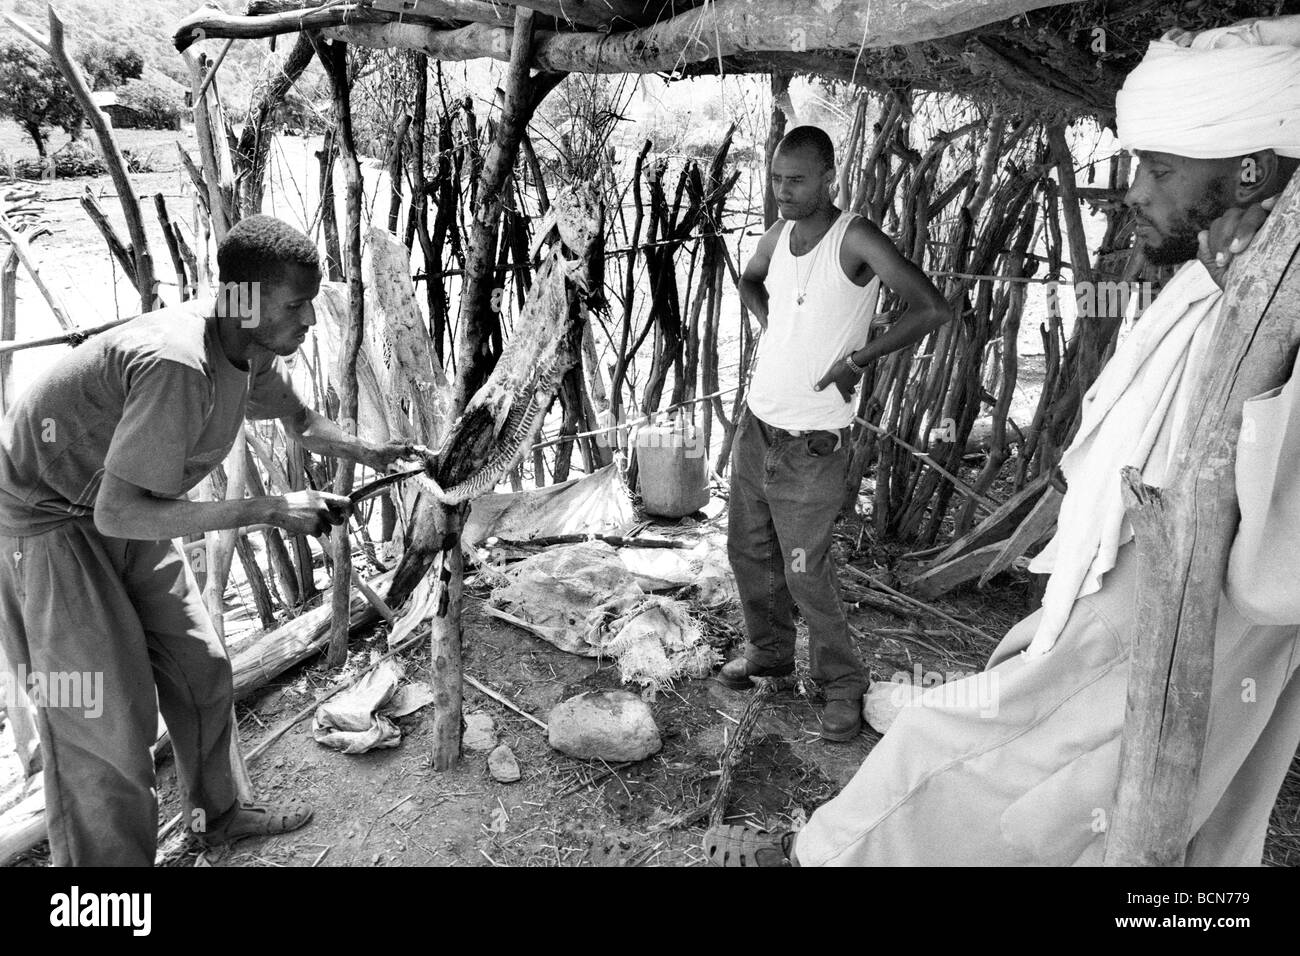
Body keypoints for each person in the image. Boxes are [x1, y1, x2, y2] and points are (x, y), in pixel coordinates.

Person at [704, 15, 1300, 865]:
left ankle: (824, 836)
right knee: (1099, 814)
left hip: (1164, 624)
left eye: (1161, 168)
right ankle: (784, 699)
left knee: (959, 753)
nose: (1133, 191)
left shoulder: (1265, 314)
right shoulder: (1209, 289)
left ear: (1252, 171)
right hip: (1118, 609)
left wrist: (853, 362)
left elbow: (1273, 569)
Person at [0, 214, 414, 866]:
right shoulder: (179, 365)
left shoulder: (245, 348)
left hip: (121, 506)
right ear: (246, 299)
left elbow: (302, 422)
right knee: (103, 725)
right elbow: (117, 513)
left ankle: (217, 818)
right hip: (48, 525)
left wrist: (378, 450)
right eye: (297, 304)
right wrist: (272, 507)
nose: (309, 319)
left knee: (199, 668)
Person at [723, 125, 951, 741]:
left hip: (812, 445)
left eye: (796, 180)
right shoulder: (780, 234)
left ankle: (843, 684)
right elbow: (749, 278)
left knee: (805, 569)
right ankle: (769, 653)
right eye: (775, 178)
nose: (781, 191)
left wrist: (856, 360)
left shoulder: (855, 238)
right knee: (748, 552)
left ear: (829, 179)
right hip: (758, 428)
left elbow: (932, 306)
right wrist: (775, 326)